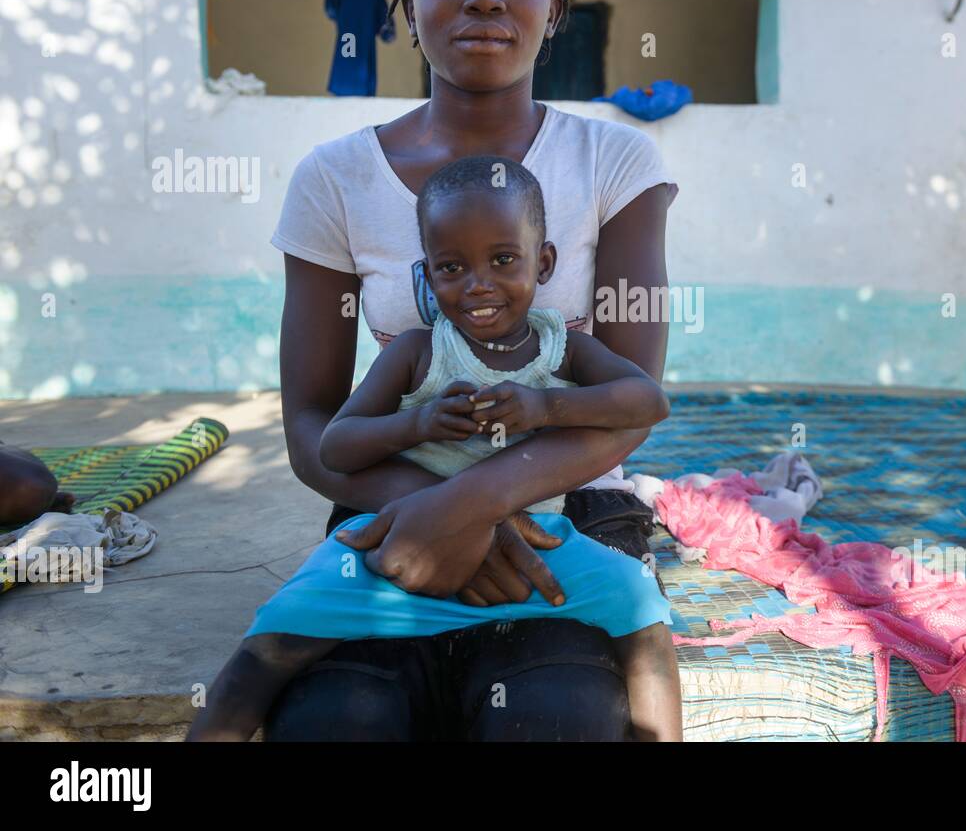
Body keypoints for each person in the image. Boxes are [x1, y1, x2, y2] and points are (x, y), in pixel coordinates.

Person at [262, 0, 680, 740]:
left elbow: (633, 398)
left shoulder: (615, 163)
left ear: (554, 8)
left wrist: (474, 507)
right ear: (405, 8)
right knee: (340, 718)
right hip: (388, 495)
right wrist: (429, 509)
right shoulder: (333, 180)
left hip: (568, 499)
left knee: (552, 713)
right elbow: (311, 422)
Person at [189, 157, 682, 741]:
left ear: (543, 261)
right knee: (267, 646)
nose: (478, 284)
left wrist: (545, 406)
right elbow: (336, 447)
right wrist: (416, 423)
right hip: (400, 542)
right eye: (452, 266)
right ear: (426, 275)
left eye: (503, 260)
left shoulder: (563, 349)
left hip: (536, 545)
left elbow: (646, 401)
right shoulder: (415, 353)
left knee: (642, 609)